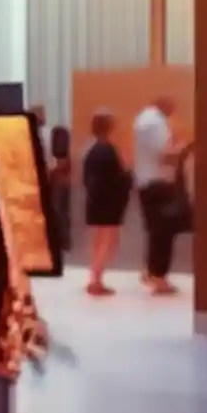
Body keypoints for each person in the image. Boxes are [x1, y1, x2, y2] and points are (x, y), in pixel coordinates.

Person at [133, 96, 184, 296]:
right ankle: (159, 276)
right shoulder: (156, 122)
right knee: (163, 232)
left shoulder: (142, 119)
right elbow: (165, 154)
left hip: (146, 182)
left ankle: (150, 270)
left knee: (154, 229)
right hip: (158, 182)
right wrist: (182, 149)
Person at [82, 111, 132, 296]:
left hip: (95, 200)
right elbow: (115, 178)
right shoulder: (107, 149)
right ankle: (97, 280)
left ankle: (94, 277)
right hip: (108, 203)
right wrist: (128, 176)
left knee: (97, 241)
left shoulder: (91, 148)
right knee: (107, 242)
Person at [48, 125, 73, 253]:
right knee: (63, 212)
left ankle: (60, 241)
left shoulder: (57, 157)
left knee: (58, 211)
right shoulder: (66, 156)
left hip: (58, 183)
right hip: (64, 183)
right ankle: (65, 241)